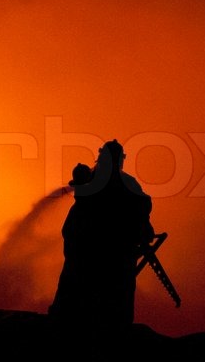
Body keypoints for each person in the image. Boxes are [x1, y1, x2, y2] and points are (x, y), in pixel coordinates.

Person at [48, 139, 154, 332]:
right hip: (98, 251)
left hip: (104, 252)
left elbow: (142, 208)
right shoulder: (118, 183)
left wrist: (141, 229)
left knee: (98, 292)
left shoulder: (116, 184)